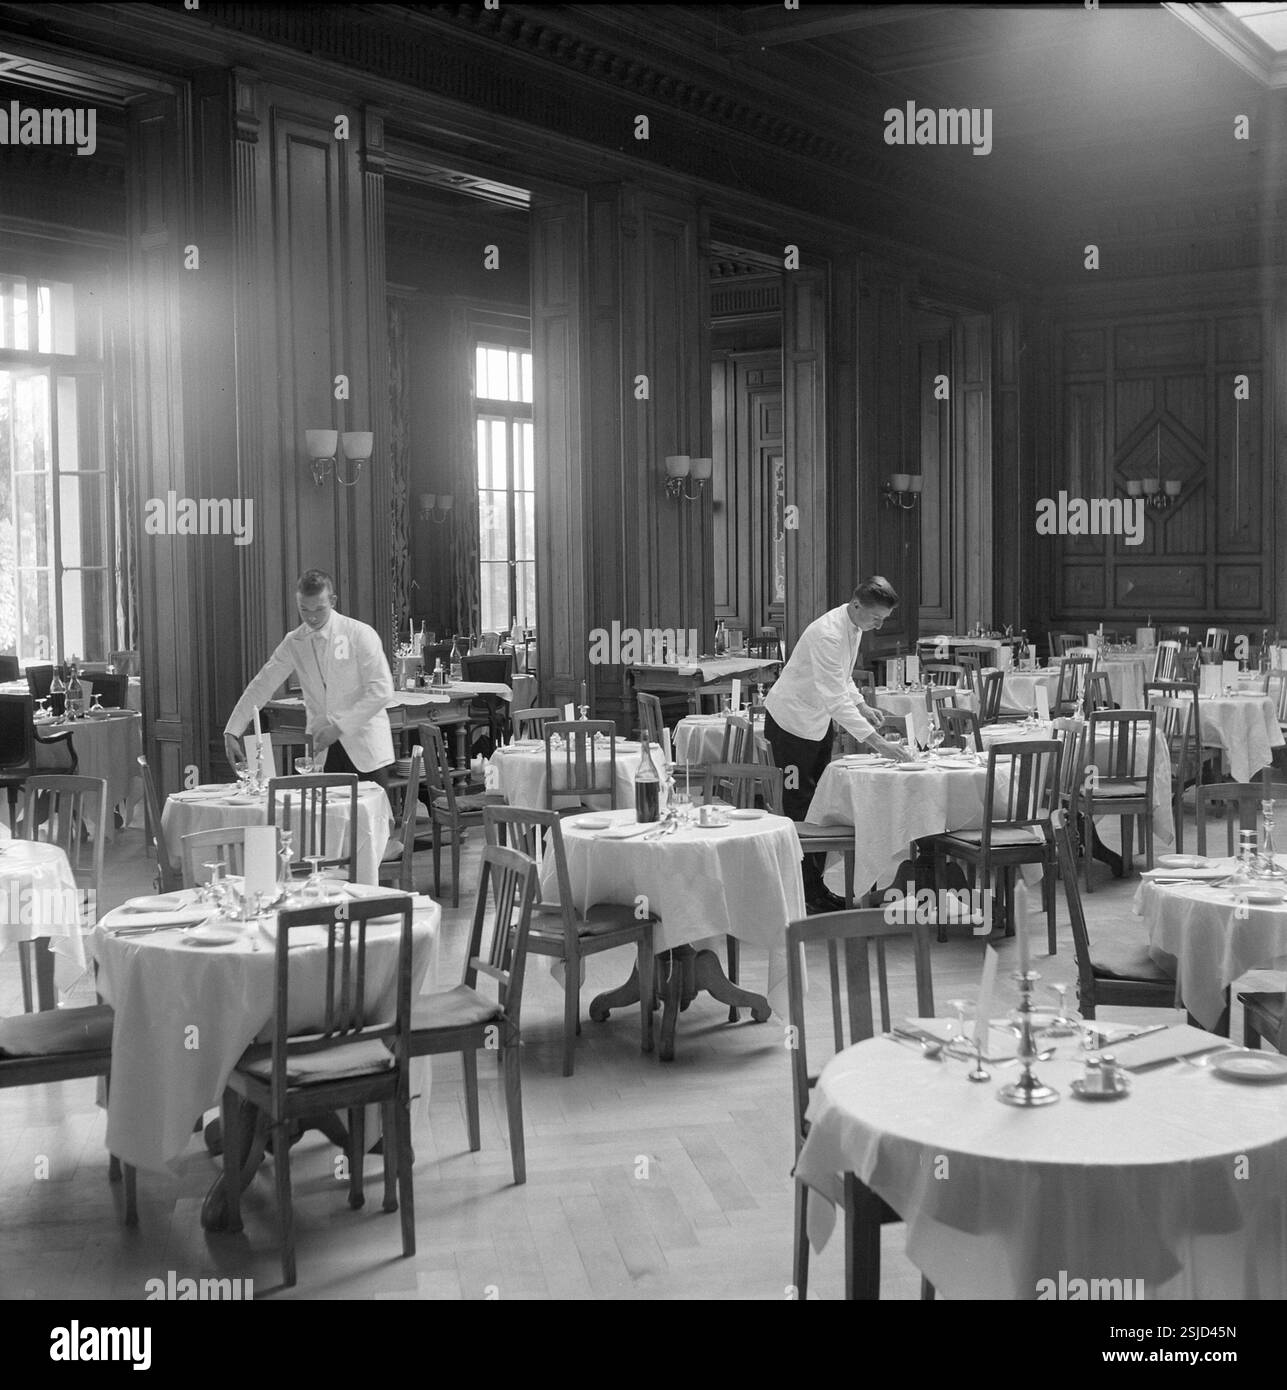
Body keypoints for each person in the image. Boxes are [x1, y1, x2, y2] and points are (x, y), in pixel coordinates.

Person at [764, 575, 911, 913]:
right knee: (798, 806)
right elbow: (834, 699)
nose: (878, 625)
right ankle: (804, 893)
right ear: (856, 604)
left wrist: (862, 705)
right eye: (875, 618)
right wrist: (878, 743)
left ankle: (815, 889)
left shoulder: (854, 626)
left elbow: (842, 680)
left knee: (818, 804)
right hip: (790, 724)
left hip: (815, 723)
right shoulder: (828, 633)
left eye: (883, 620)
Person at [223, 569, 395, 787]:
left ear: (333, 601)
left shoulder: (359, 633)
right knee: (326, 819)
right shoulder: (294, 641)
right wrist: (232, 730)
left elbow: (382, 690)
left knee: (371, 818)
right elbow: (263, 684)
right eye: (304, 610)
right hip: (322, 749)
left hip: (366, 749)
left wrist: (339, 727)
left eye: (319, 609)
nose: (312, 617)